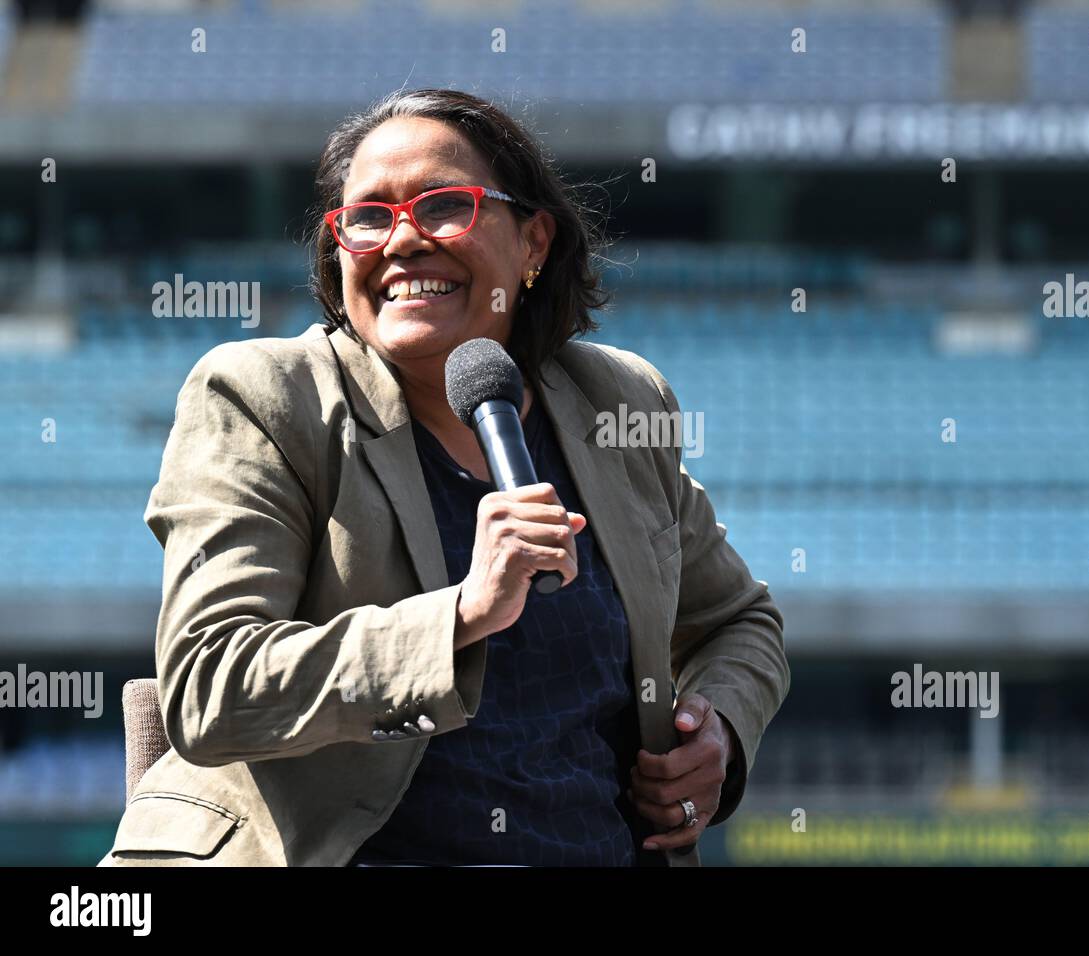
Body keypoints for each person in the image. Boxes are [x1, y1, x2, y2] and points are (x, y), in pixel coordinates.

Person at [99, 88, 789, 867]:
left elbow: (740, 621)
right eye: (368, 217)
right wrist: (460, 614)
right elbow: (211, 687)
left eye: (443, 207)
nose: (402, 241)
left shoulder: (618, 400)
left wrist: (717, 732)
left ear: (534, 243)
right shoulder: (263, 396)